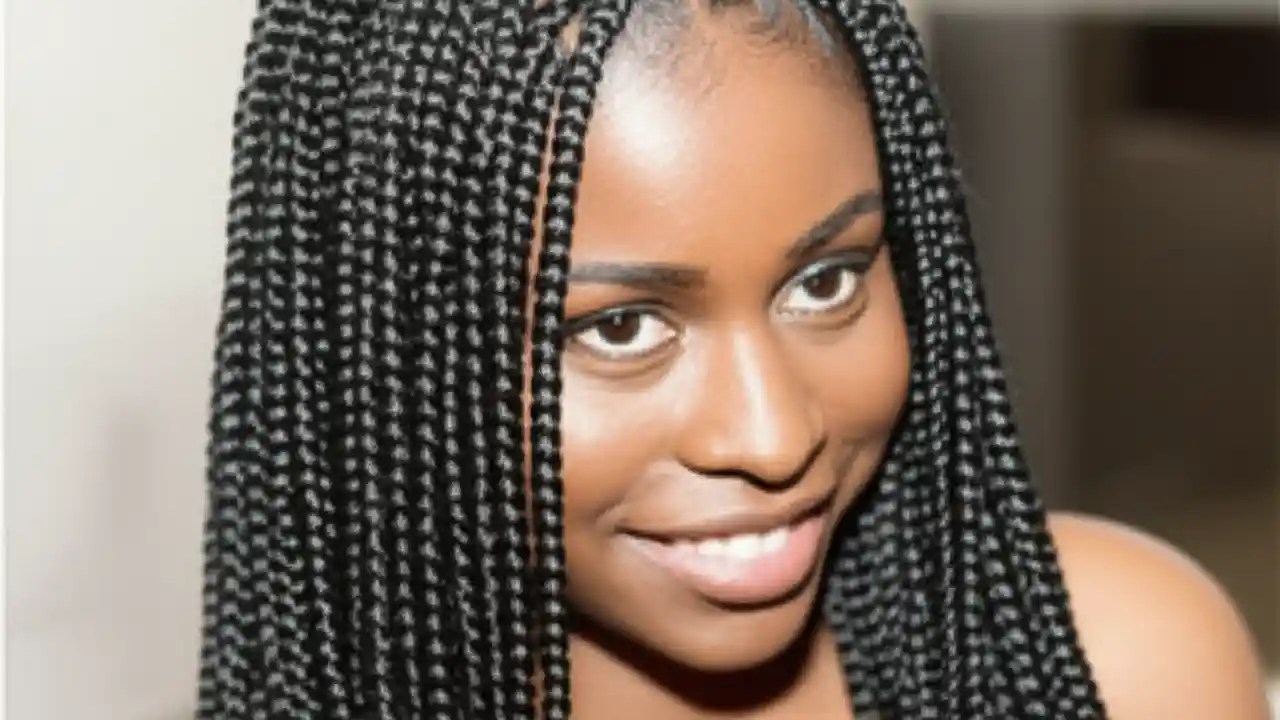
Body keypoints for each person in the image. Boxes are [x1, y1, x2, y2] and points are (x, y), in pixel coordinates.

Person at [195, 0, 1271, 718]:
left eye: (827, 281)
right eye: (618, 327)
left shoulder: (1117, 667)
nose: (773, 434)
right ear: (380, 351)